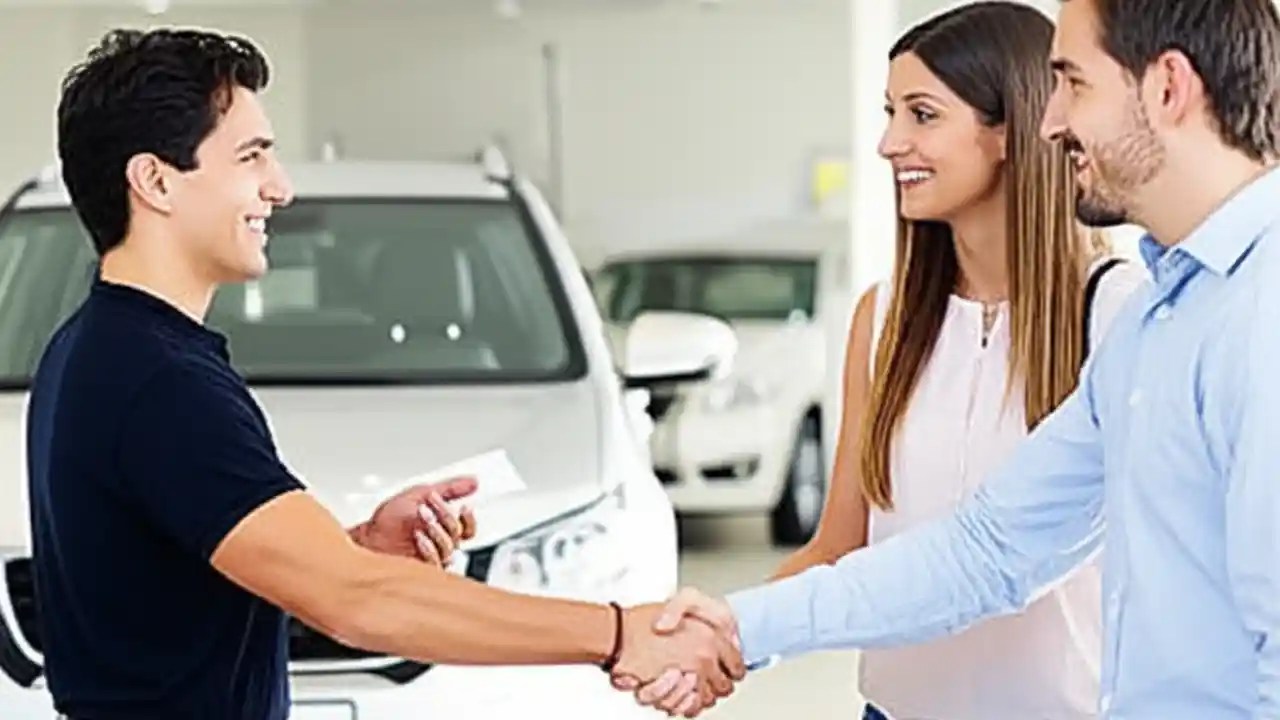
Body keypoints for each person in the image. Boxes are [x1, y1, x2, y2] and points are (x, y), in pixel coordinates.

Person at [28, 27, 742, 720]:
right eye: (251, 158)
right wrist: (619, 633)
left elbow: (192, 584)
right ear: (155, 180)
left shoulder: (96, 347)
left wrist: (357, 548)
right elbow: (359, 601)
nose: (278, 189)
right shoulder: (159, 381)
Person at [624, 0, 1280, 717]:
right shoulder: (1160, 323)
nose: (1052, 121)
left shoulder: (1243, 313)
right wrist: (741, 627)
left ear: (1167, 86)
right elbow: (988, 549)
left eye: (1073, 83)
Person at [770, 3, 1142, 718]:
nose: (888, 143)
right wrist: (706, 632)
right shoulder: (881, 321)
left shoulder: (1120, 311)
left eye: (921, 114)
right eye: (889, 112)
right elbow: (838, 548)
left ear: (1010, 129)